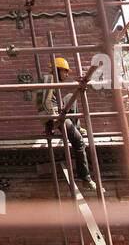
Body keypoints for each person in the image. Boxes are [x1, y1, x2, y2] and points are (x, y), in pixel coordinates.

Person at [41, 56, 97, 194]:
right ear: (57, 70)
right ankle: (86, 178)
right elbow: (44, 102)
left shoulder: (53, 81)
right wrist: (54, 118)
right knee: (78, 141)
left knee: (72, 97)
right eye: (65, 71)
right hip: (52, 116)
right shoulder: (49, 79)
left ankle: (76, 127)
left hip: (54, 111)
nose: (67, 74)